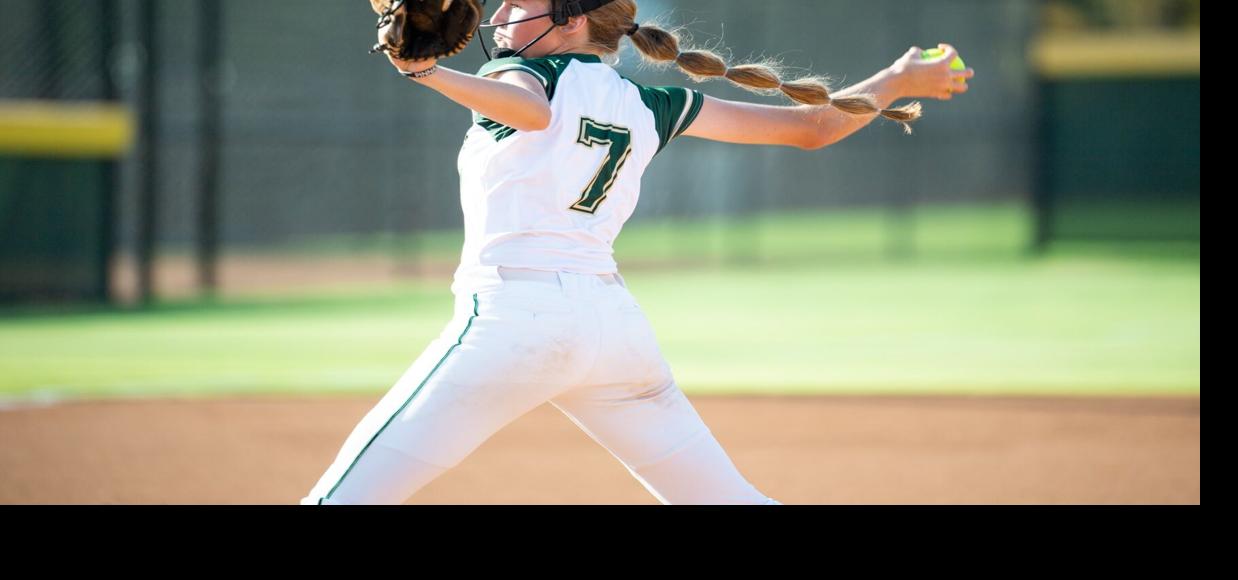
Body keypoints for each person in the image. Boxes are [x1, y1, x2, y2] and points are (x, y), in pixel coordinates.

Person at [303, 0, 974, 505]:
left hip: (513, 323)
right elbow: (814, 128)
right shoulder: (652, 102)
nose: (499, 15)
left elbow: (533, 112)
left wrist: (425, 72)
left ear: (569, 20)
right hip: (613, 334)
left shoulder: (517, 70)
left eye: (518, 4)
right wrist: (898, 78)